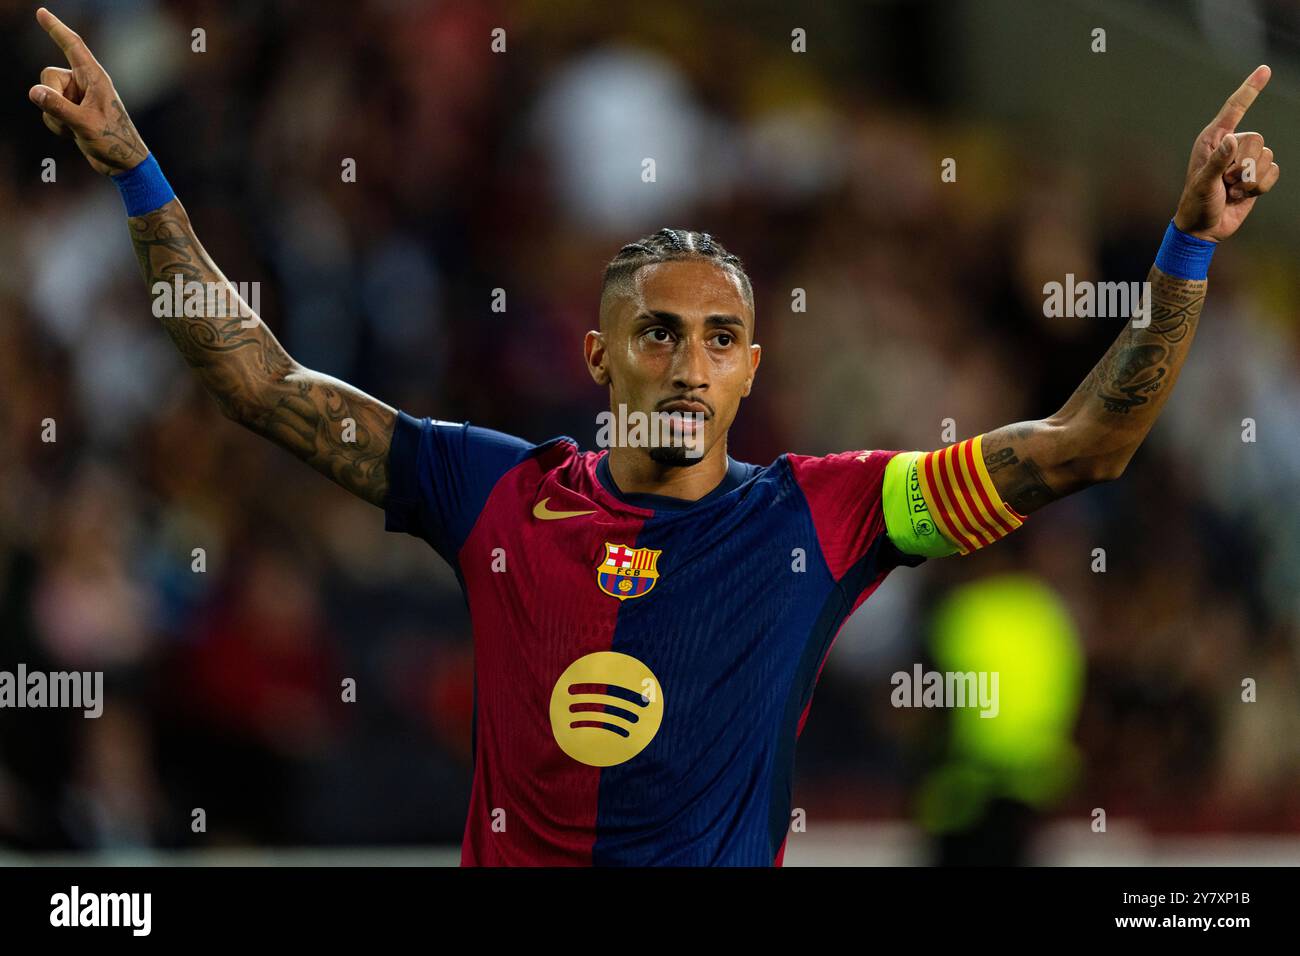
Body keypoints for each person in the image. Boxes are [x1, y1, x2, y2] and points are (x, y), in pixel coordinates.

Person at [28, 6, 1280, 865]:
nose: (688, 363)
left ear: (752, 370)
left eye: (719, 338)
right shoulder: (493, 489)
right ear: (597, 354)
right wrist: (142, 170)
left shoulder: (824, 514)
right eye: (658, 333)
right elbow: (262, 382)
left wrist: (1183, 251)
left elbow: (1081, 446)